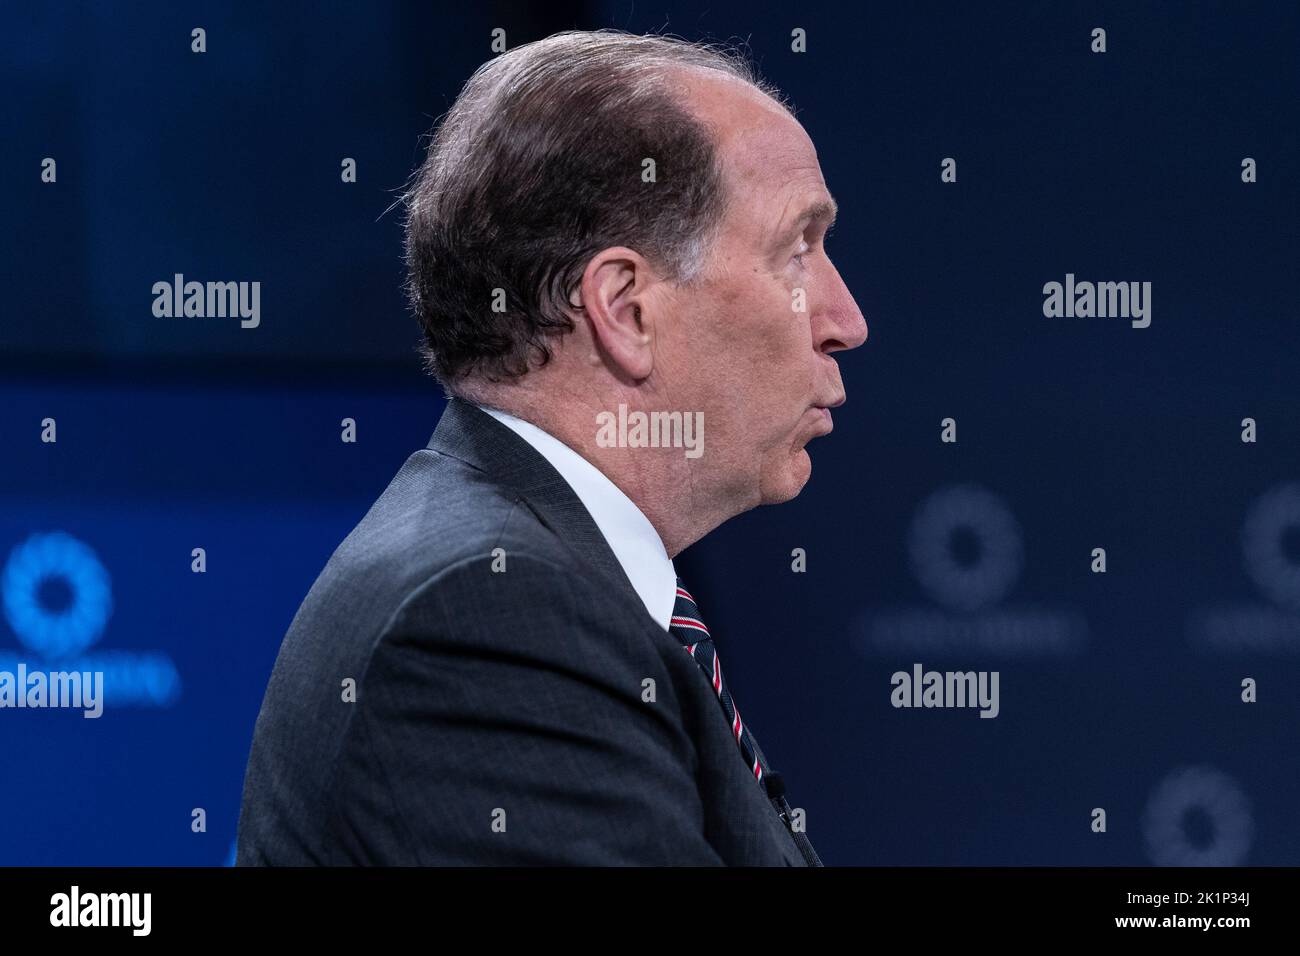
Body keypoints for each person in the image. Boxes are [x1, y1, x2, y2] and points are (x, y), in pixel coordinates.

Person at [236, 28, 866, 866]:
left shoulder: (543, 577)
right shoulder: (491, 618)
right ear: (627, 309)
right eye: (798, 249)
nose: (846, 321)